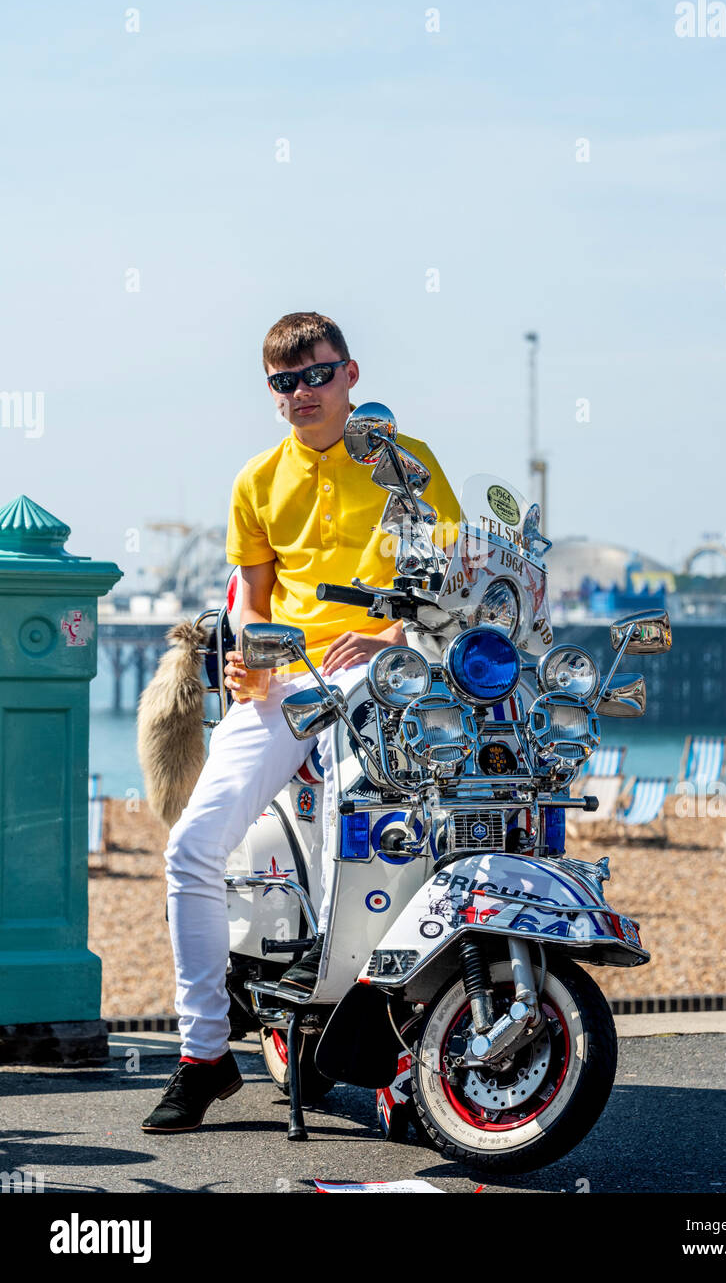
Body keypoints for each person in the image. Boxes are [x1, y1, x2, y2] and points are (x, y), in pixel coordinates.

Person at [141, 312, 460, 1133]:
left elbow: (450, 578)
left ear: (350, 374)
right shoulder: (255, 480)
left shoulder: (410, 466)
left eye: (316, 376)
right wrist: (249, 647)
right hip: (284, 682)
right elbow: (253, 589)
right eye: (284, 383)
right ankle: (203, 1054)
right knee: (191, 847)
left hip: (384, 678)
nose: (301, 394)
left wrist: (390, 632)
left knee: (381, 842)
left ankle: (398, 1047)